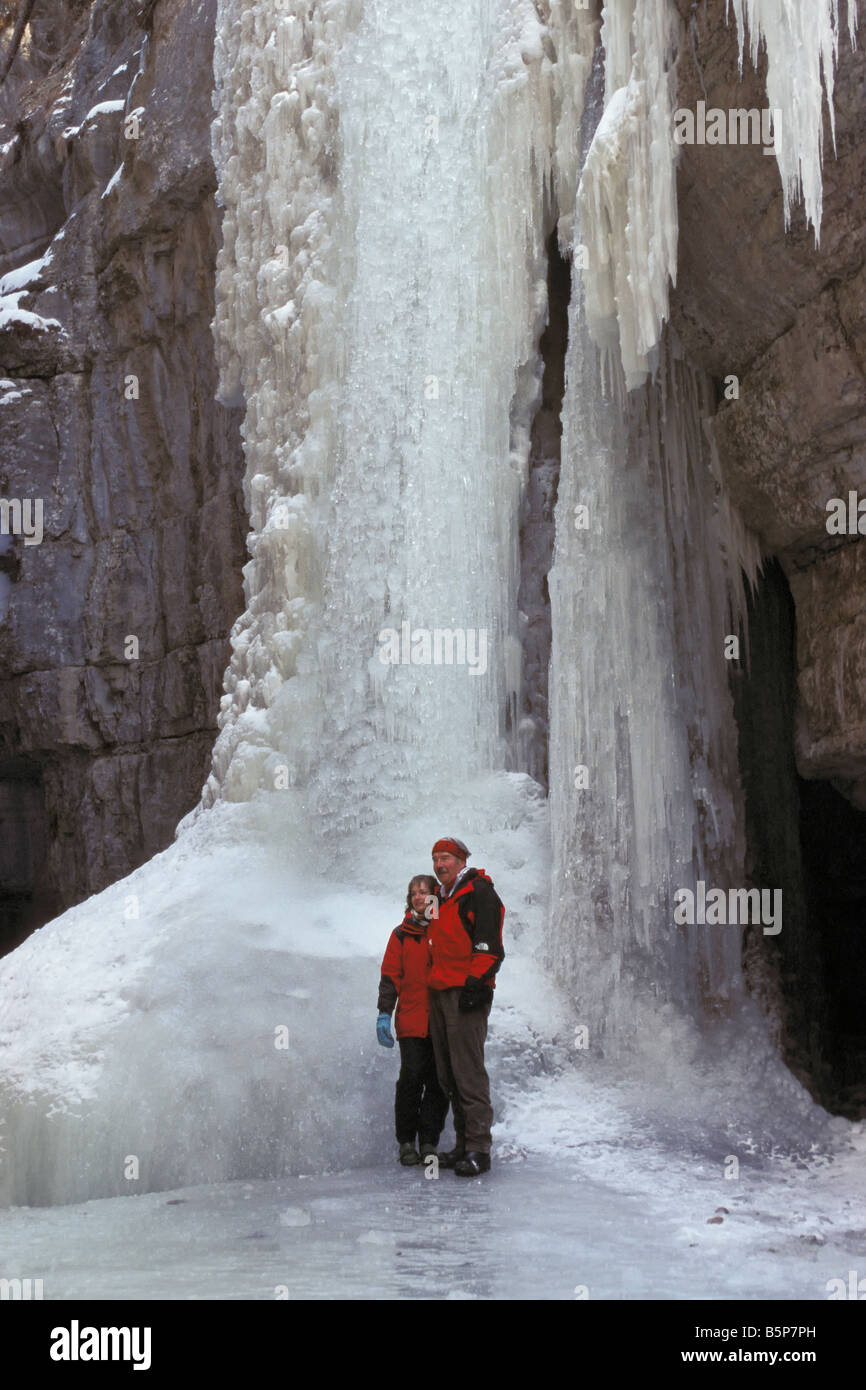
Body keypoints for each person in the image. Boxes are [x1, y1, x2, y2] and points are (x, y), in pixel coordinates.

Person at [427, 837, 504, 1177]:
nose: (440, 865)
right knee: (448, 1074)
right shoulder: (441, 897)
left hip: (465, 994)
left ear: (461, 861)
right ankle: (462, 1144)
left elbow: (489, 943)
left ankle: (479, 1149)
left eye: (445, 858)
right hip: (440, 992)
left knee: (468, 1072)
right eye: (435, 859)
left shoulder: (478, 891)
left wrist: (476, 985)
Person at [376, 874, 449, 1167]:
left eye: (424, 892)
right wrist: (384, 1012)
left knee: (439, 1081)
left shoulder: (446, 930)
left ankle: (429, 1140)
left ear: (435, 896)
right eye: (413, 893)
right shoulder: (401, 934)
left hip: (443, 1021)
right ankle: (406, 1142)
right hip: (411, 1019)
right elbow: (390, 976)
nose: (419, 897)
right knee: (411, 1078)